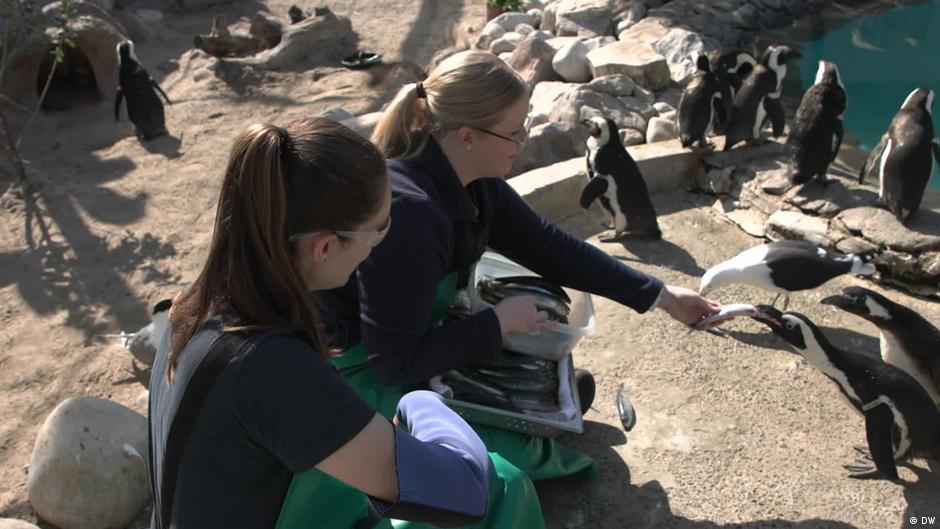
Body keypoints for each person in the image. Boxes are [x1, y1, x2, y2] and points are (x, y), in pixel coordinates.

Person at [318, 51, 722, 484]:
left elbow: (550, 247)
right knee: (508, 468)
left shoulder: (474, 180)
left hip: (413, 341)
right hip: (358, 373)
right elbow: (392, 364)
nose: (525, 138)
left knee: (540, 404)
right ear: (468, 136)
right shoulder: (411, 214)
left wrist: (661, 296)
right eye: (514, 131)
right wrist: (499, 322)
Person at [147, 118, 541, 529]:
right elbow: (464, 490)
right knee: (506, 483)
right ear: (324, 247)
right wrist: (420, 404)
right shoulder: (270, 367)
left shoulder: (197, 304)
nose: (384, 243)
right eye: (379, 230)